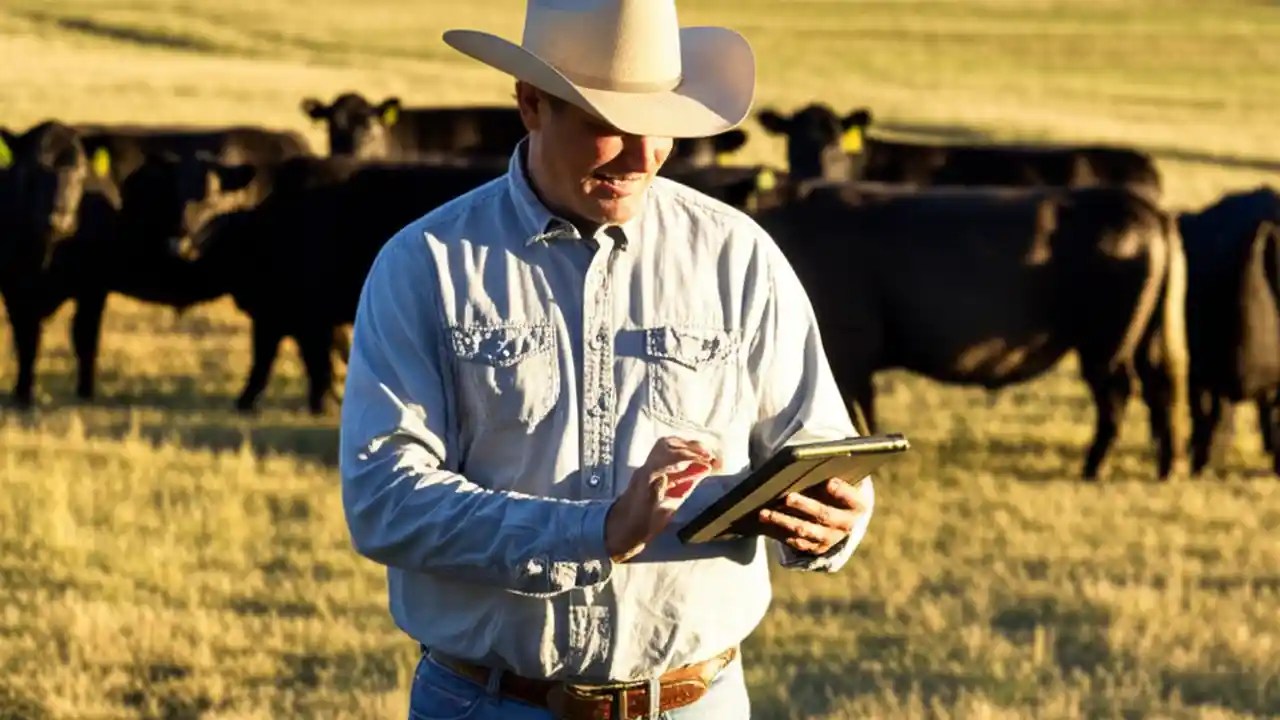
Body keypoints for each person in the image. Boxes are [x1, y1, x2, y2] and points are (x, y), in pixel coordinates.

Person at [338, 1, 878, 718]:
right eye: (607, 125)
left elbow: (812, 447)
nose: (642, 153)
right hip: (487, 702)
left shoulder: (738, 256)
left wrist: (838, 518)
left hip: (695, 701)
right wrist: (596, 533)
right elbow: (385, 503)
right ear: (530, 103)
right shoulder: (425, 265)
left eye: (664, 126)